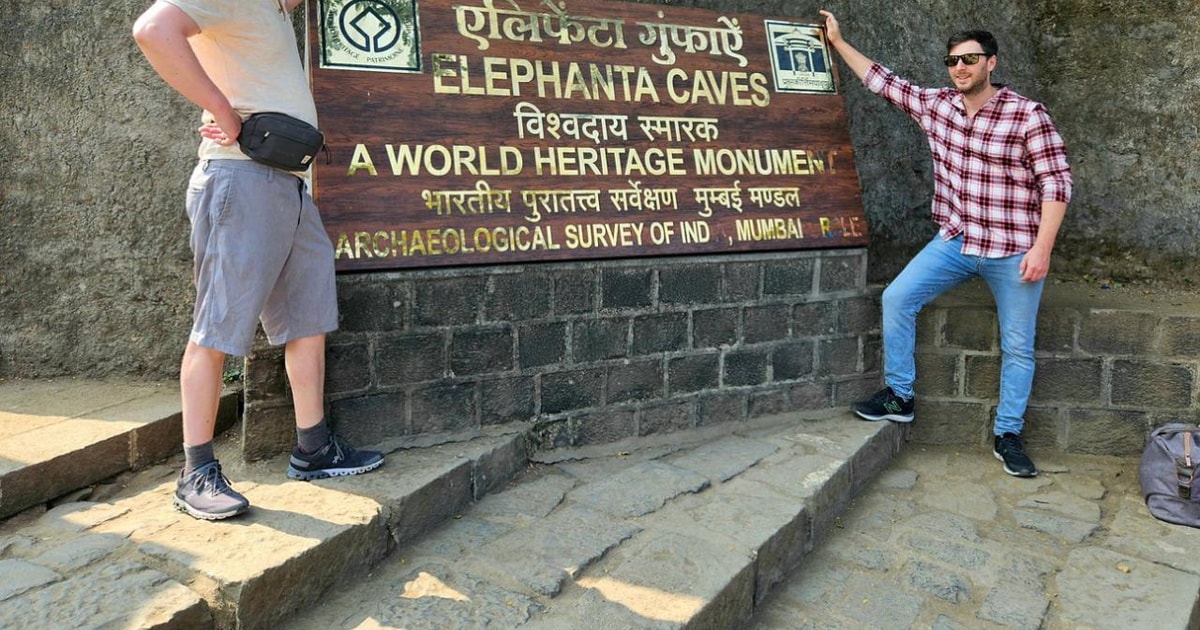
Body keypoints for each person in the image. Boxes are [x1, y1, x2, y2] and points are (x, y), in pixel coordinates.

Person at [133, 0, 383, 520]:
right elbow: (154, 30)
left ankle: (313, 449)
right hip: (238, 180)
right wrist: (222, 111)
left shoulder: (276, 12)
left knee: (307, 320)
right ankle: (195, 470)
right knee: (218, 326)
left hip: (289, 185)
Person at [821, 11, 1072, 477]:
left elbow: (1056, 184)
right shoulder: (937, 105)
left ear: (991, 63)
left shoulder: (1026, 114)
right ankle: (900, 394)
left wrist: (1041, 249)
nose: (960, 67)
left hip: (1013, 248)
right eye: (953, 60)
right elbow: (883, 82)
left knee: (1018, 346)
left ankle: (1008, 434)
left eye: (970, 59)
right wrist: (837, 41)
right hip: (955, 240)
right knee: (897, 297)